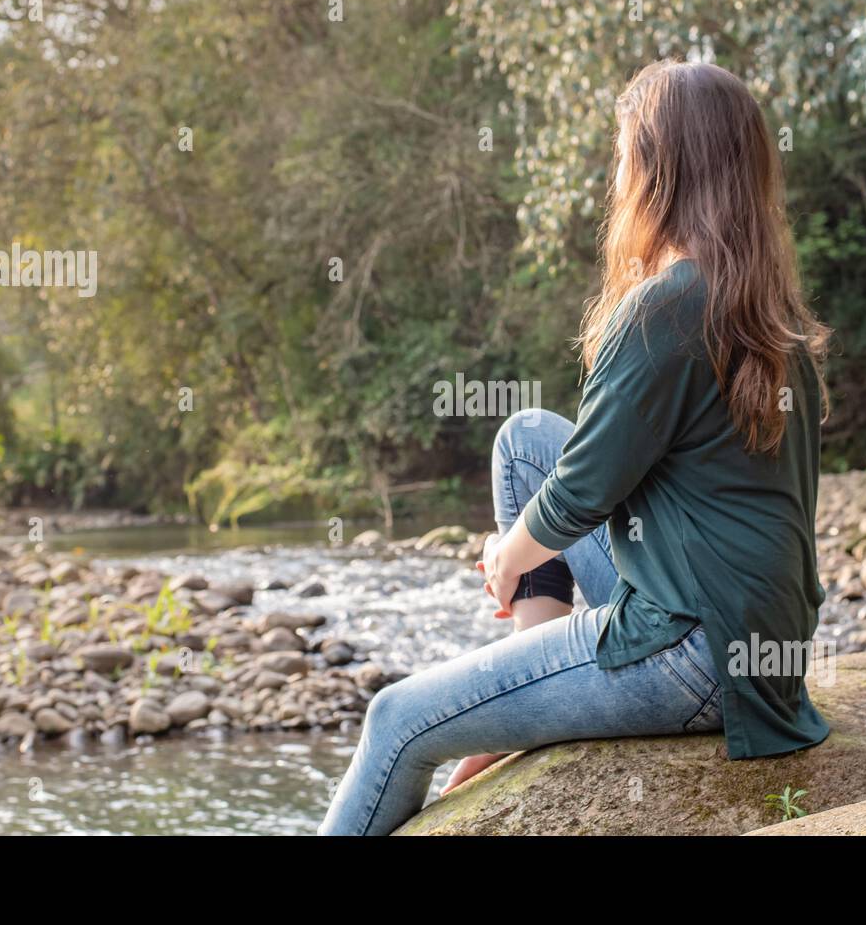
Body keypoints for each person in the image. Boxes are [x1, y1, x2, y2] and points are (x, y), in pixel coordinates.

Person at [319, 59, 832, 836]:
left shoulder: (664, 309)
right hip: (763, 643)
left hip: (695, 651)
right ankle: (532, 692)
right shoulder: (767, 314)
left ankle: (524, 701)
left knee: (395, 720)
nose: (616, 175)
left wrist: (507, 555)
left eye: (625, 154)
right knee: (525, 439)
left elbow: (584, 489)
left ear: (660, 170)